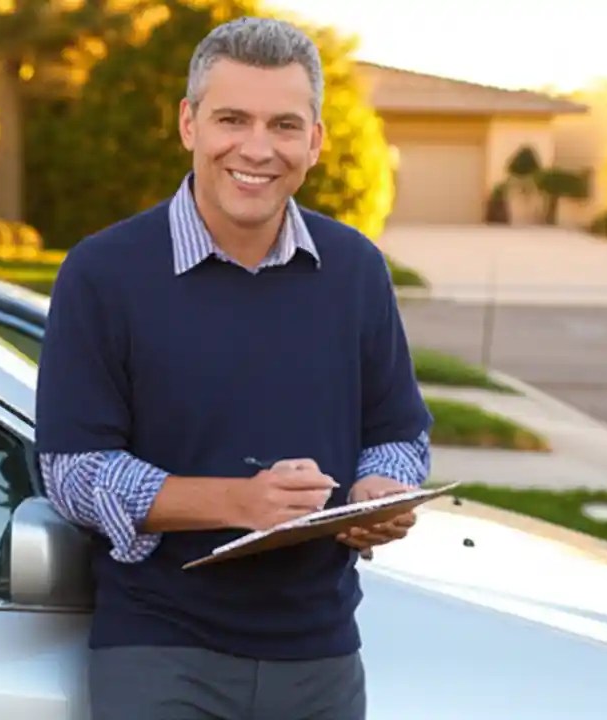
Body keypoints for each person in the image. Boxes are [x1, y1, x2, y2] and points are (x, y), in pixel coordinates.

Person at [34, 16, 433, 720]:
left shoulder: (356, 271)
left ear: (315, 139)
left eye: (283, 124)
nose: (257, 148)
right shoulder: (103, 273)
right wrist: (238, 503)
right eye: (231, 119)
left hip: (321, 655)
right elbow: (73, 471)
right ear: (188, 124)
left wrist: (383, 488)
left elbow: (400, 435)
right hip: (159, 653)